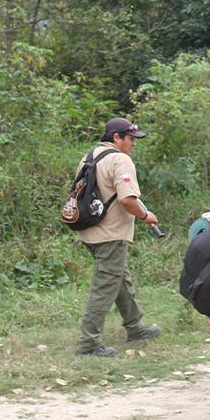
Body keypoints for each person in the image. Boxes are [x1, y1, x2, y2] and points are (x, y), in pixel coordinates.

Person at [75, 117, 162, 357]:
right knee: (104, 287)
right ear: (116, 137)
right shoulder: (120, 160)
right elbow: (127, 200)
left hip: (89, 231)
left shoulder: (89, 157)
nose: (133, 143)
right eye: (130, 139)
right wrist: (146, 215)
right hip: (110, 234)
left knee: (120, 279)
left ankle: (135, 328)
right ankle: (89, 344)